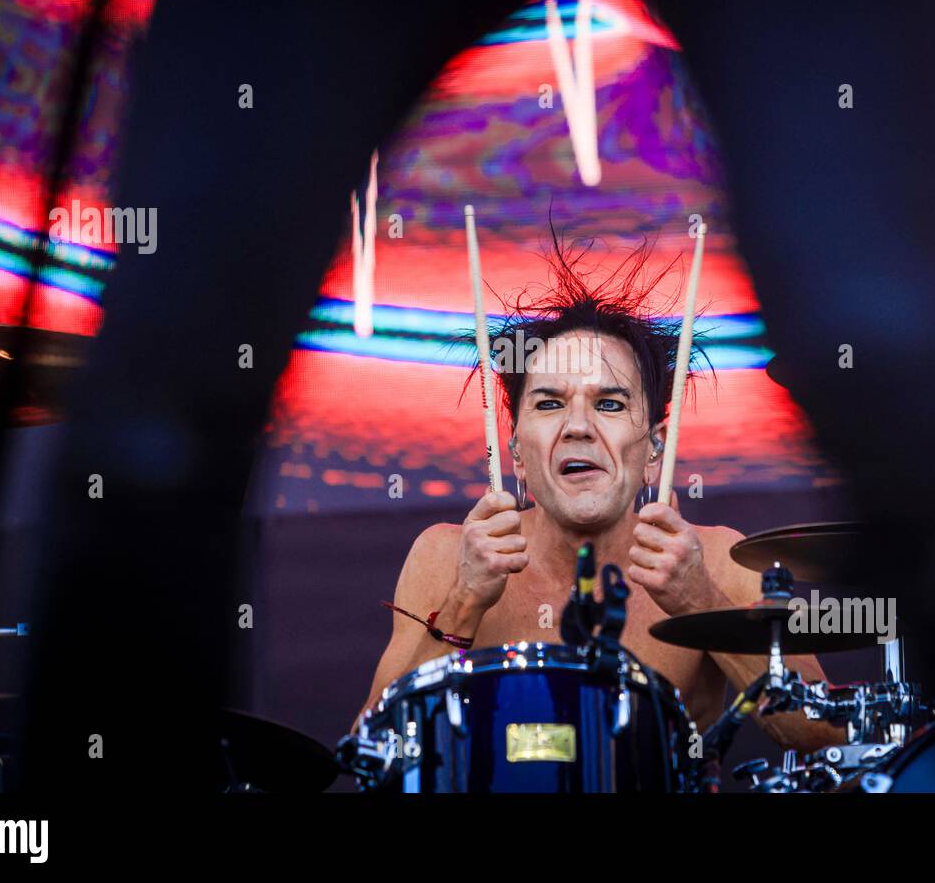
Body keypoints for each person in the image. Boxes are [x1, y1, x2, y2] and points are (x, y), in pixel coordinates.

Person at [360, 241, 844, 752]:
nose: (577, 428)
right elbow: (369, 753)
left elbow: (823, 738)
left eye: (609, 403)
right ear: (517, 454)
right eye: (549, 403)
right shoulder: (444, 557)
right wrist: (462, 605)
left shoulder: (719, 560)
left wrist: (698, 599)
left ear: (655, 449)